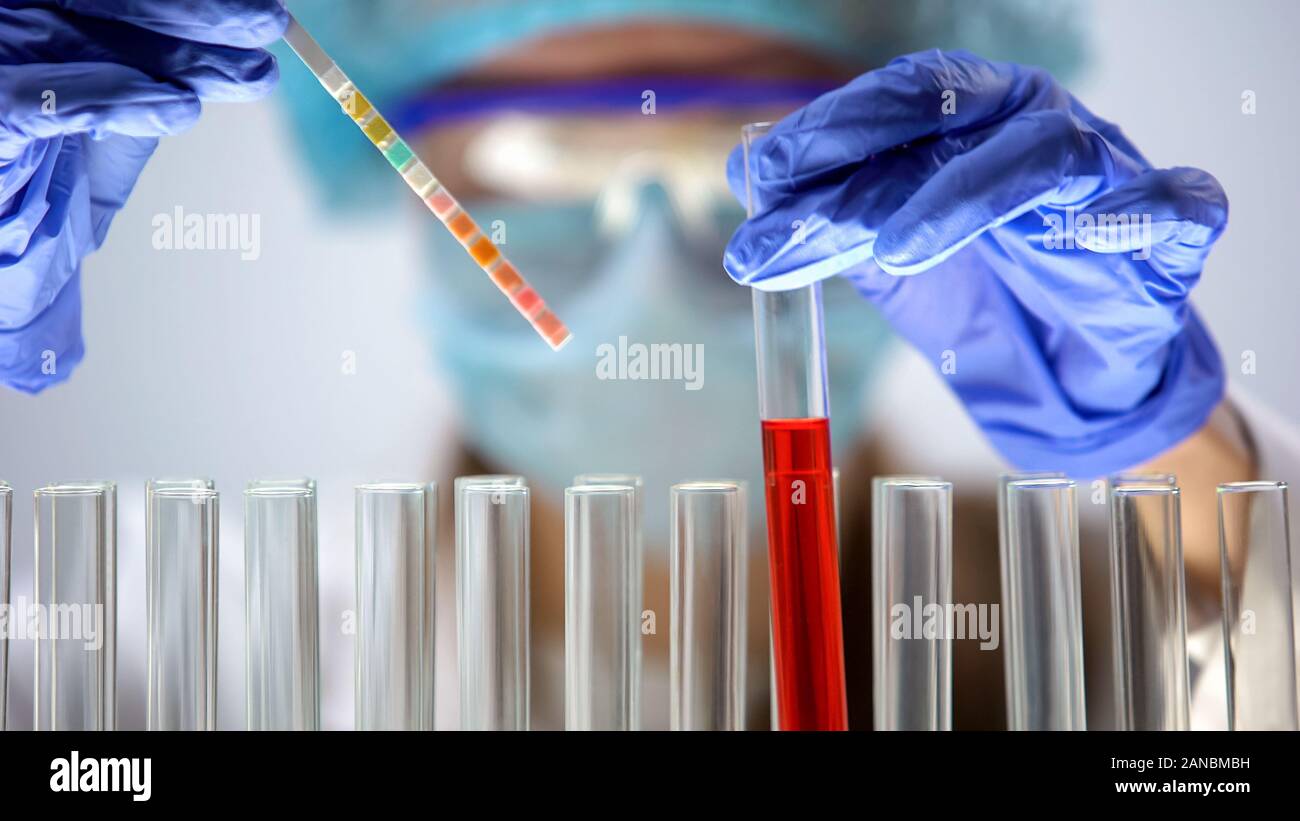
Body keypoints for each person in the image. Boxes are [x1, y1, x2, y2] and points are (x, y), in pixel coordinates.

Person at [1, 0, 1294, 730]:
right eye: (541, 161)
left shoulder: (1126, 645)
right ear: (399, 169)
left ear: (929, 196)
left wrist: (1153, 431)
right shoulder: (196, 676)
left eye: (749, 152)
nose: (650, 252)